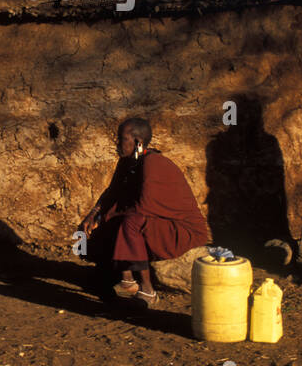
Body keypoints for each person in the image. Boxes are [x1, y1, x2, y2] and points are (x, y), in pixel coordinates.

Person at [79, 118, 210, 307]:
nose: (117, 144)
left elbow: (146, 205)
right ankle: (120, 279)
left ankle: (147, 290)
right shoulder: (127, 163)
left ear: (138, 143)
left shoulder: (154, 163)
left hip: (182, 229)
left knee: (131, 222)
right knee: (99, 226)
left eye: (122, 139)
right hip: (150, 221)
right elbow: (112, 192)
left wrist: (107, 217)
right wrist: (94, 214)